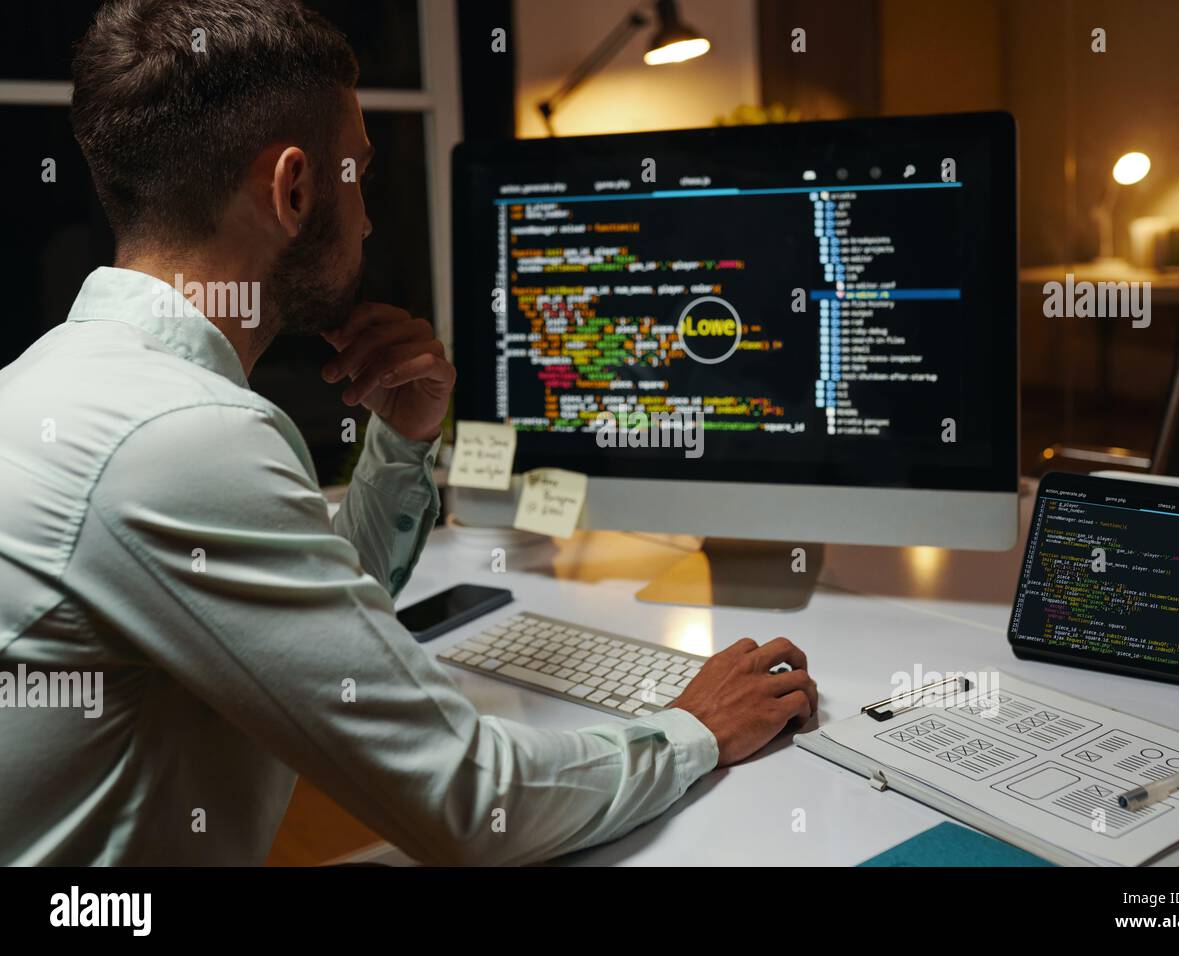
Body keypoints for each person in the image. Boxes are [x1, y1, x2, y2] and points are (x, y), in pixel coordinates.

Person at [0, 0, 817, 865]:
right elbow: (471, 807)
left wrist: (401, 441)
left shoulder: (61, 381)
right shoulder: (184, 438)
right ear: (293, 190)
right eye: (359, 176)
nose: (369, 220)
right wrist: (691, 730)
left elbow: (310, 638)